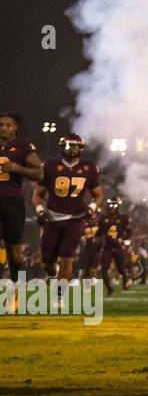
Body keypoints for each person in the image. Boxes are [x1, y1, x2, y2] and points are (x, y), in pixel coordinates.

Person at [33, 134, 101, 311]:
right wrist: (40, 210)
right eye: (69, 145)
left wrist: (92, 207)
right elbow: (37, 194)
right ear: (61, 146)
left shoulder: (88, 167)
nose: (73, 149)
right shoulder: (50, 166)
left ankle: (59, 297)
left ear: (81, 148)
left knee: (67, 259)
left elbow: (98, 195)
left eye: (76, 146)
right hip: (53, 218)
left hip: (75, 219)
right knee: (47, 262)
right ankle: (52, 272)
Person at [0, 112, 42, 310]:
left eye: (9, 125)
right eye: (1, 124)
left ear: (15, 128)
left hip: (11, 202)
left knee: (14, 253)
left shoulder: (22, 146)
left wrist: (16, 167)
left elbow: (39, 172)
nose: (4, 128)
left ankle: (16, 291)